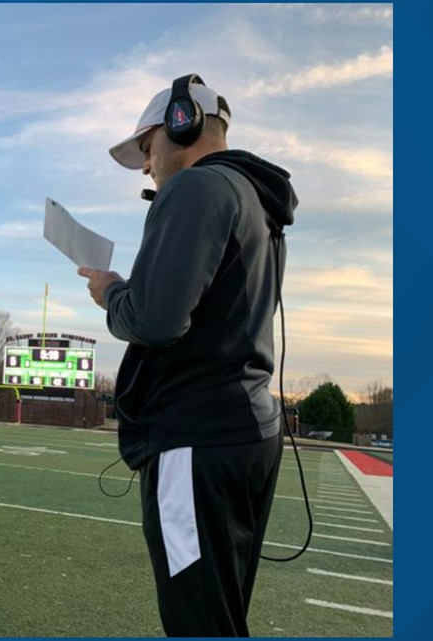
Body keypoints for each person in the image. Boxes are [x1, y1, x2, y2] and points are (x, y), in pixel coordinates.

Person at [77, 74, 296, 637]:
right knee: (220, 611)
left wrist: (112, 293)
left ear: (181, 123)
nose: (148, 168)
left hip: (197, 434)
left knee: (197, 619)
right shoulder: (253, 198)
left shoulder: (198, 188)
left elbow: (154, 319)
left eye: (147, 149)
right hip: (247, 428)